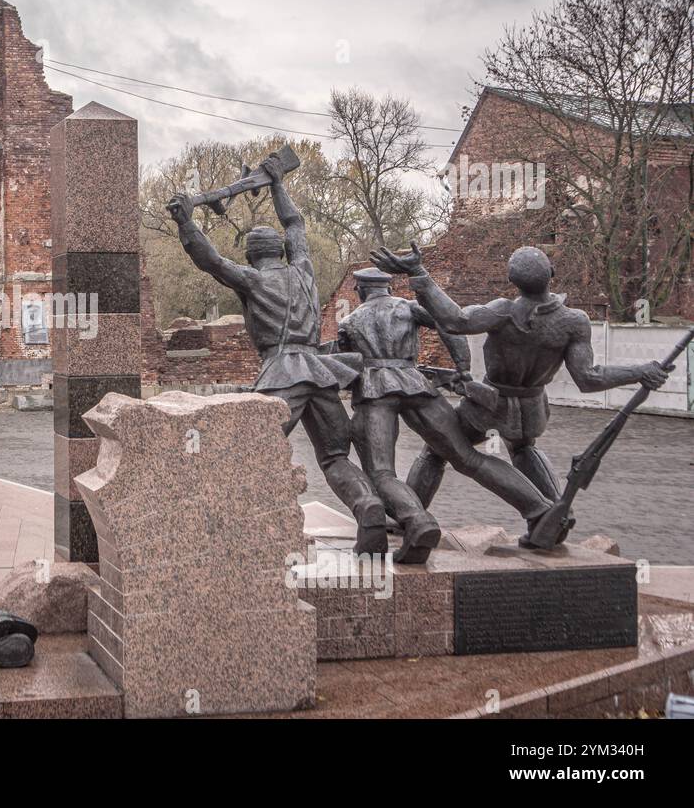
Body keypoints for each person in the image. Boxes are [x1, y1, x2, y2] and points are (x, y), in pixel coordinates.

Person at [370, 243, 669, 547]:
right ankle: (555, 512)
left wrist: (419, 272)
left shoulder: (505, 311)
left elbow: (455, 321)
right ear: (552, 273)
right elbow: (589, 378)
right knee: (523, 449)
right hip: (533, 406)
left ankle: (411, 515)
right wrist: (640, 370)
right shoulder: (574, 321)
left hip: (491, 404)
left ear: (512, 281)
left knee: (438, 448)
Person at [167, 154, 387, 555]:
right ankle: (367, 505)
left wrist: (186, 222)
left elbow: (211, 261)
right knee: (336, 456)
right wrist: (277, 184)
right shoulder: (302, 269)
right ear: (281, 250)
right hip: (321, 374)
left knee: (245, 448)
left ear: (251, 256)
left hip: (282, 374)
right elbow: (296, 224)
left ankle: (225, 533)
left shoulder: (251, 279)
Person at [340, 268, 564, 562]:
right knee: (468, 458)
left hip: (374, 392)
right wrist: (462, 367)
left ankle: (416, 521)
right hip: (417, 385)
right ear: (389, 287)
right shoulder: (408, 307)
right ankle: (539, 508)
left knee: (382, 472)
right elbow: (448, 325)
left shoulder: (349, 321)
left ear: (359, 291)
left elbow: (347, 365)